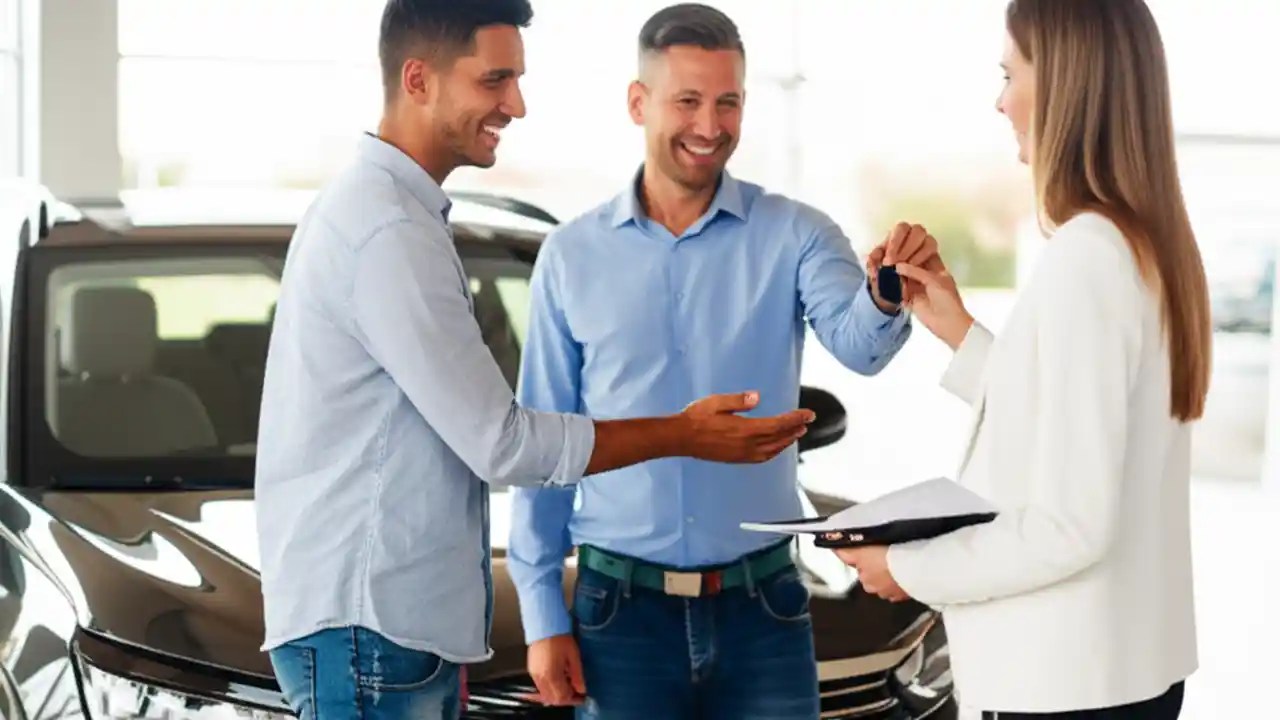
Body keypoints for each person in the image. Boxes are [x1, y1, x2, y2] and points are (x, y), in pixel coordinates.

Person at [253, 2, 817, 719]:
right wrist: (682, 434)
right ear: (418, 79)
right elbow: (503, 442)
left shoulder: (391, 214)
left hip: (388, 629)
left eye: (515, 79)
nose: (515, 104)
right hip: (372, 633)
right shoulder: (388, 229)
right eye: (495, 80)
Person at [506, 5, 941, 719]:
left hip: (761, 610)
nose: (710, 126)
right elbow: (545, 451)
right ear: (638, 103)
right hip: (619, 614)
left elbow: (860, 345)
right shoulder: (572, 257)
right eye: (688, 101)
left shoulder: (795, 233)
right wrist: (542, 614)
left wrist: (888, 292)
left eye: (728, 102)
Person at [836, 1, 1210, 718]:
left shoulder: (1086, 256)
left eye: (1010, 74)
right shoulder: (1139, 244)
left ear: (1065, 84)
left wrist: (907, 569)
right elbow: (1080, 423)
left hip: (1068, 686)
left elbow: (1070, 524)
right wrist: (959, 331)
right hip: (1127, 672)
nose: (1000, 100)